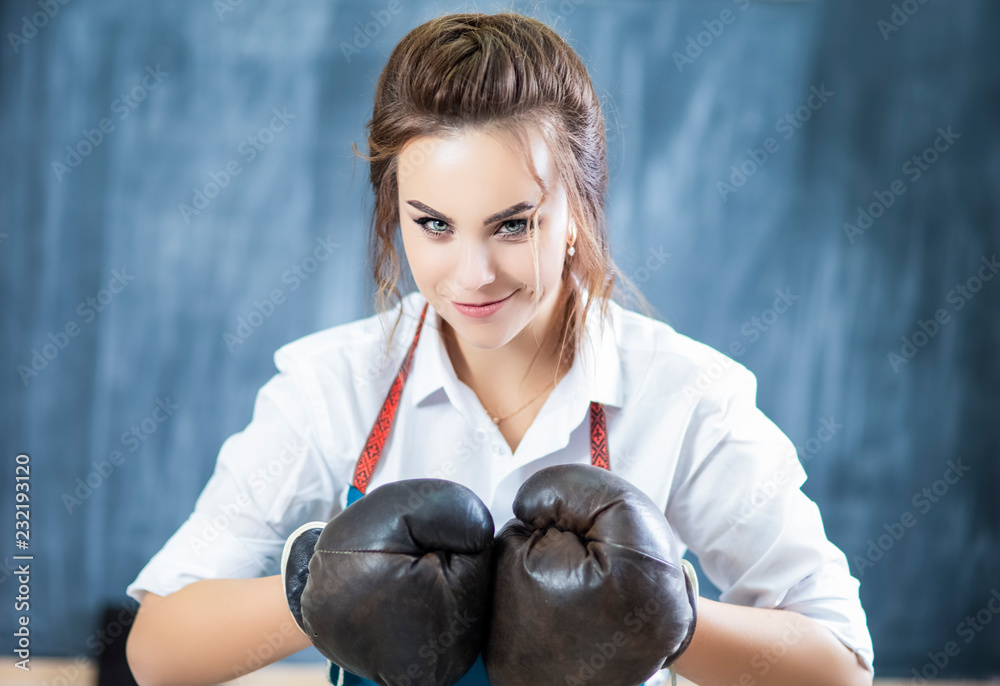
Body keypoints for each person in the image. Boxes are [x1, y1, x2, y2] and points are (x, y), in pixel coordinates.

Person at [125, 11, 875, 686]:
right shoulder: (331, 386)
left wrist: (667, 614)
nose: (473, 275)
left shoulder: (686, 394)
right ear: (395, 213)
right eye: (435, 225)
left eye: (514, 224)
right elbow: (156, 651)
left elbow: (840, 665)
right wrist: (313, 588)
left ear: (577, 210)